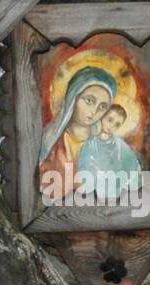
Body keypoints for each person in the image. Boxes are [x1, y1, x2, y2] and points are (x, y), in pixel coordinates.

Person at [38, 66, 115, 201]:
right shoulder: (48, 142)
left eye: (102, 107)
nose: (94, 111)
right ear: (73, 96)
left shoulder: (104, 148)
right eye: (89, 101)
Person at [77, 104, 143, 200]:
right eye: (110, 120)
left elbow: (133, 167)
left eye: (116, 124)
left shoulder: (120, 145)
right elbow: (85, 167)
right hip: (96, 194)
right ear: (103, 117)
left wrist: (123, 185)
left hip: (117, 193)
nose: (111, 126)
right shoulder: (90, 144)